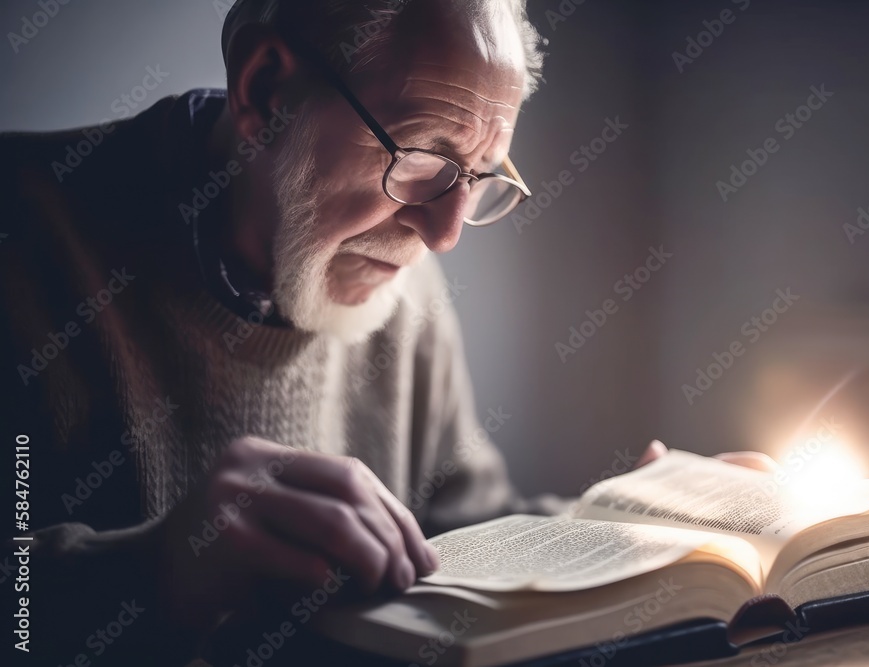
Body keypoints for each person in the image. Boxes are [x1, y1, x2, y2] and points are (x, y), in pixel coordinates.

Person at [0, 1, 773, 663]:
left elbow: (457, 539)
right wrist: (148, 570)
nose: (444, 235)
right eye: (424, 157)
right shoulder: (25, 238)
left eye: (480, 177)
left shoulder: (401, 288)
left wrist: (627, 528)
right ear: (266, 88)